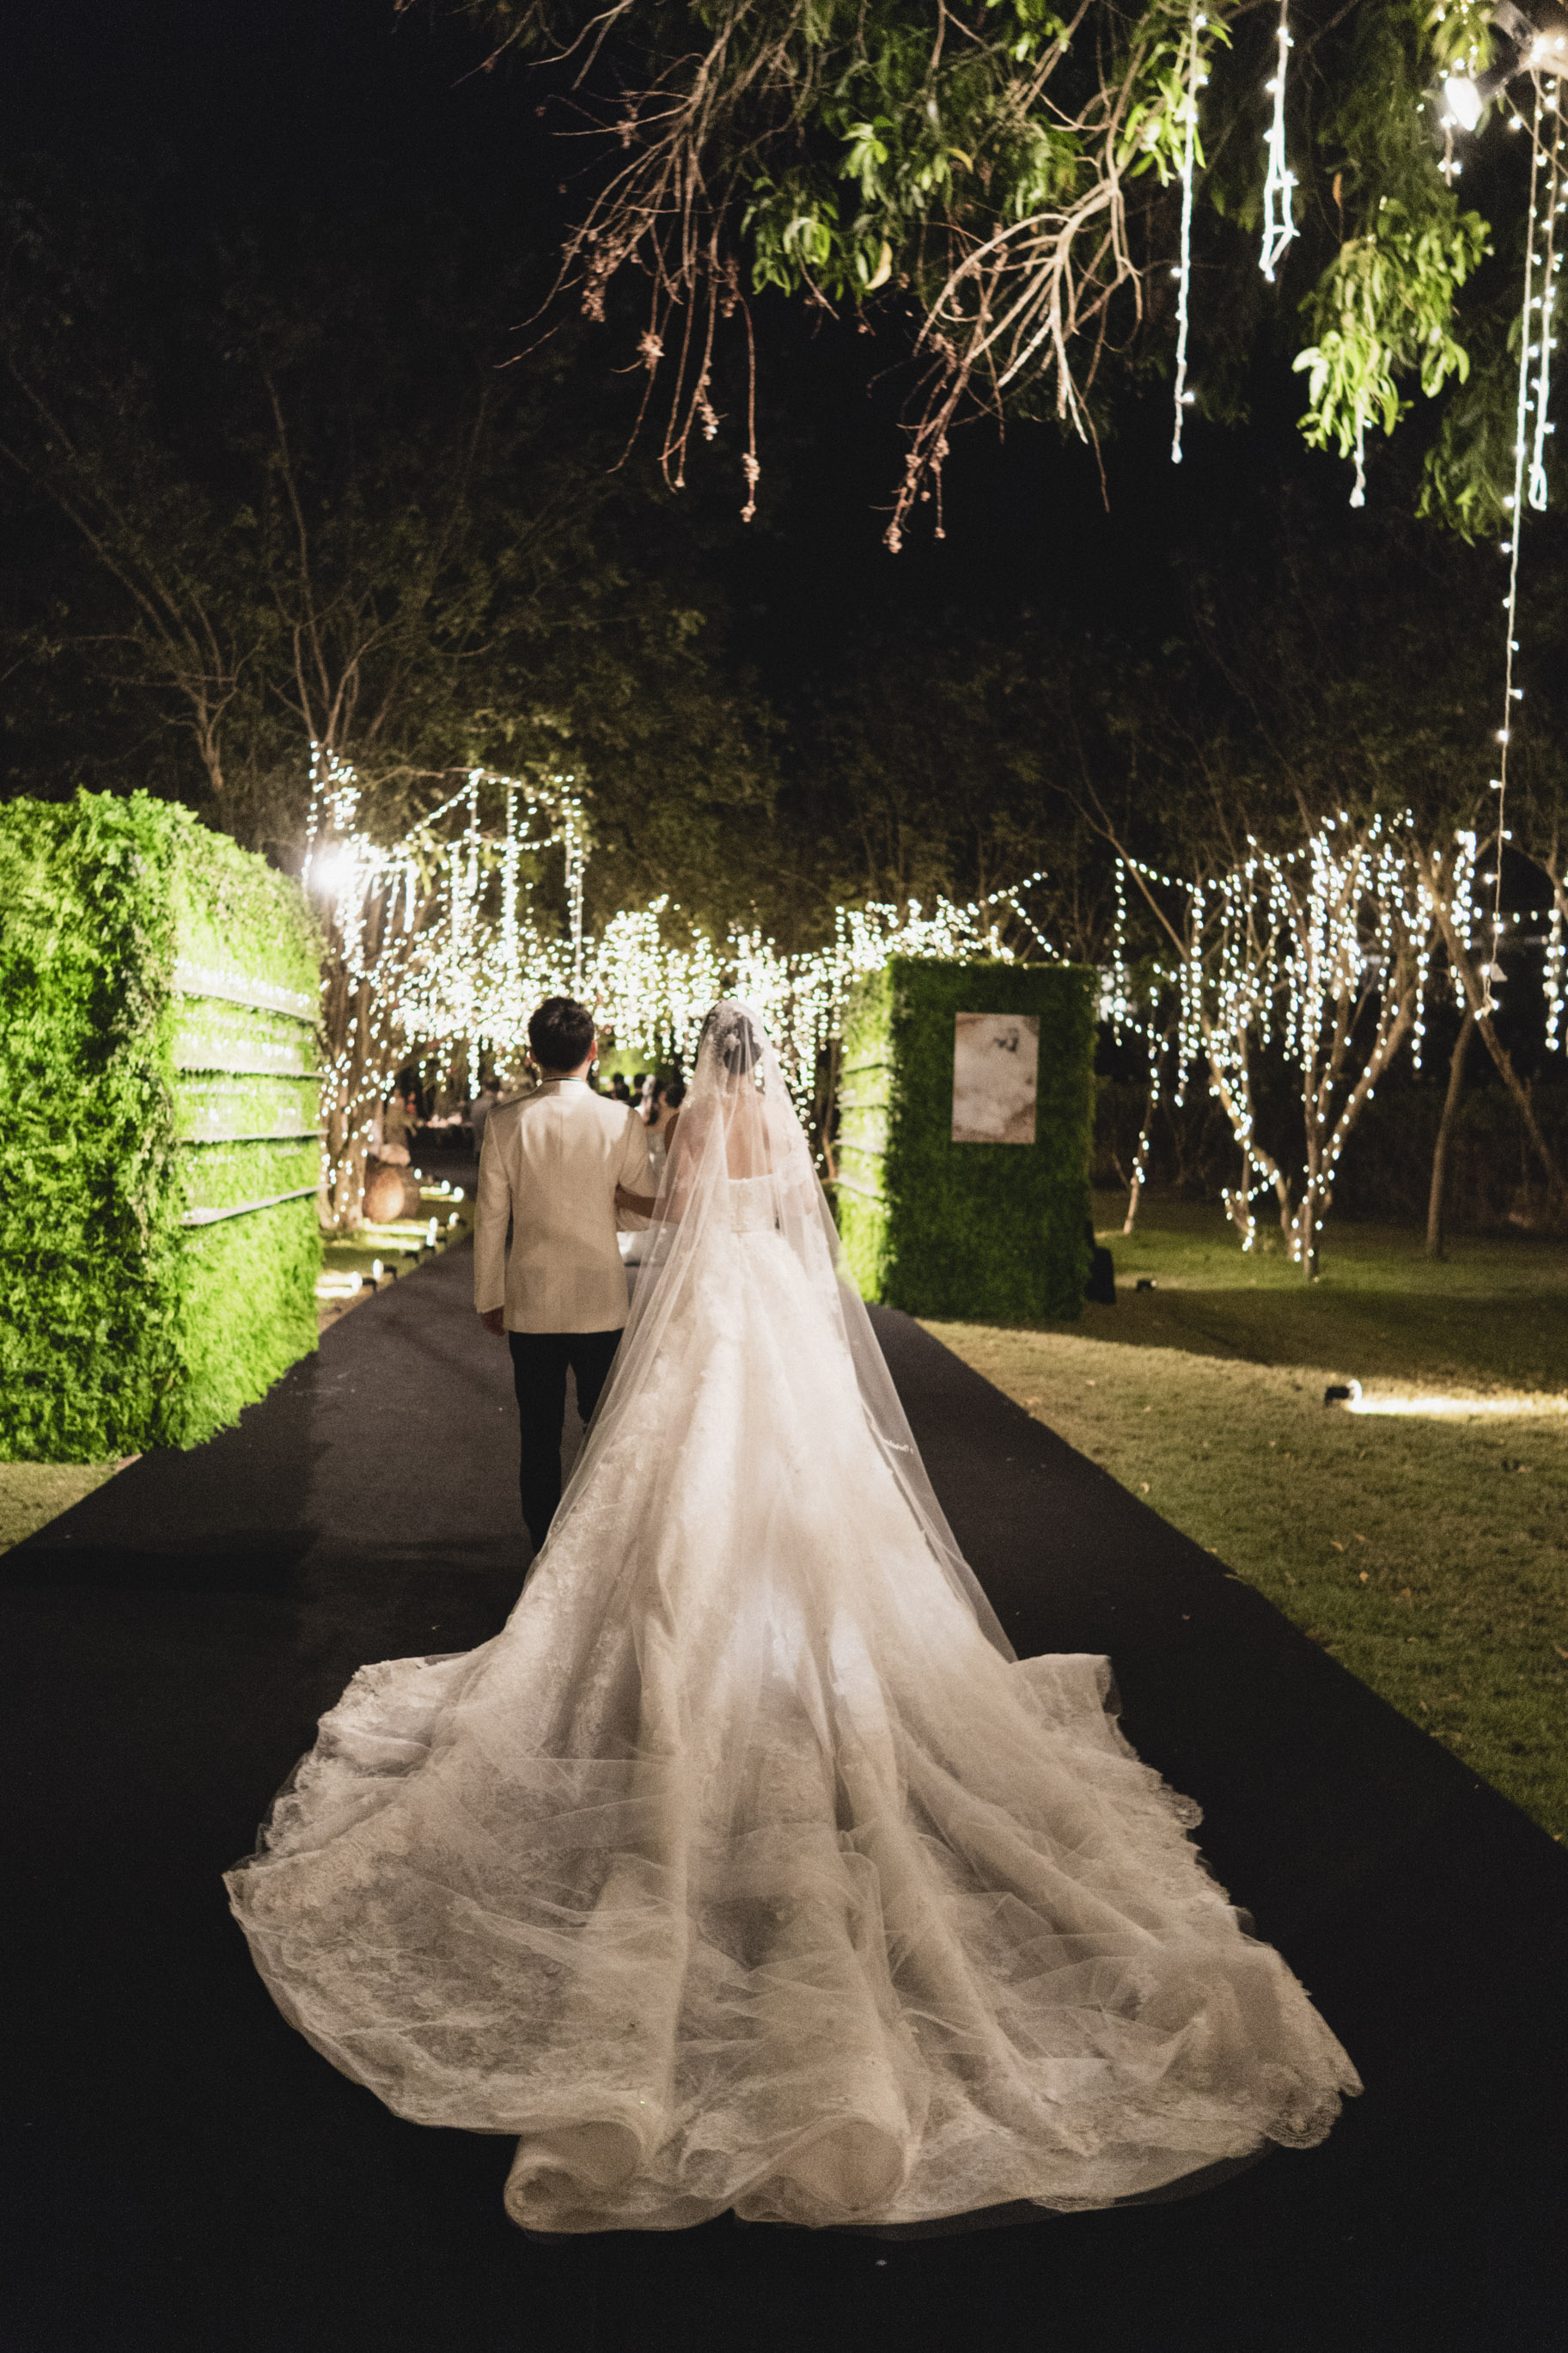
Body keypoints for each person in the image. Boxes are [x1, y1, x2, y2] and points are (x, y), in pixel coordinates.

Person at [226, 999, 1358, 2237]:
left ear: (707, 1062)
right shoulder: (769, 1118)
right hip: (769, 1306)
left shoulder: (698, 1116)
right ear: (765, 1058)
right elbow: (774, 1219)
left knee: (657, 1480)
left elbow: (685, 1209)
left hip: (703, 1304)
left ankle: (658, 1608)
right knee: (798, 1476)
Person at [468, 996, 650, 1553]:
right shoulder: (622, 1121)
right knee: (601, 1435)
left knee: (538, 1437)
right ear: (593, 1052)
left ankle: (543, 1555)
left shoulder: (505, 1124)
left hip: (532, 1299)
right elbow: (633, 1208)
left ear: (532, 1056)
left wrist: (489, 1296)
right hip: (601, 1298)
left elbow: (491, 1217)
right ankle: (596, 1553)